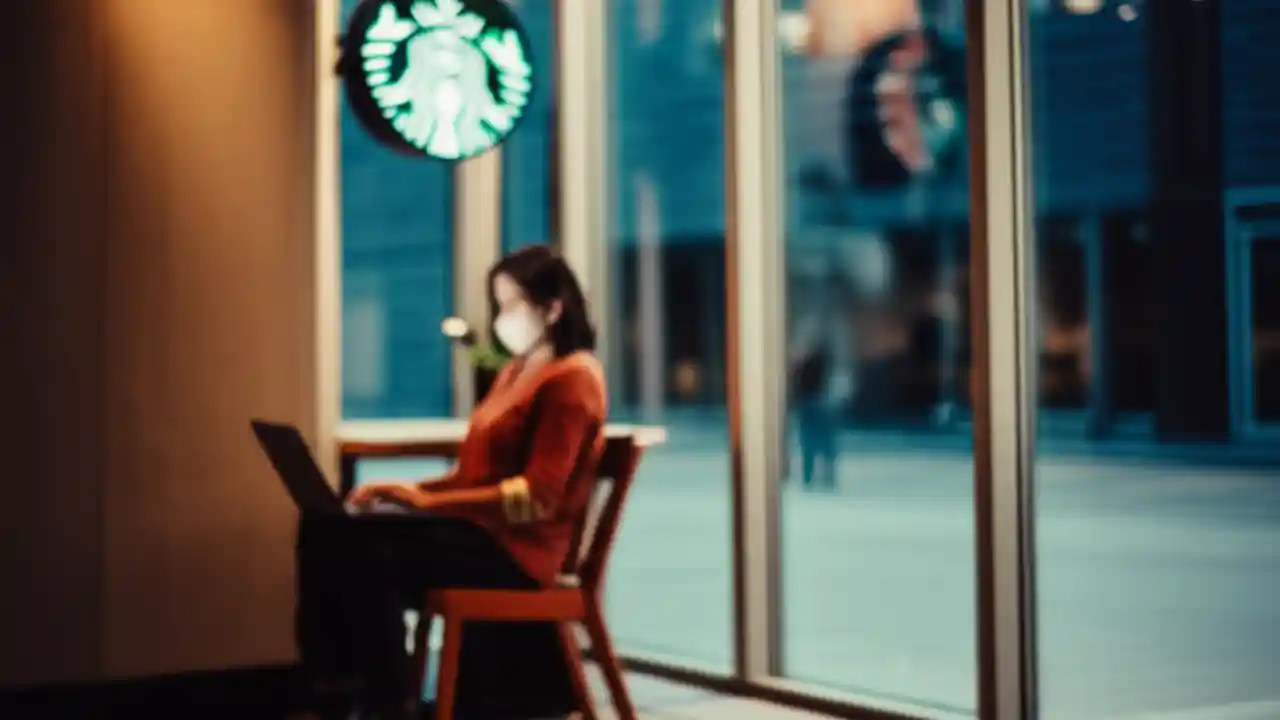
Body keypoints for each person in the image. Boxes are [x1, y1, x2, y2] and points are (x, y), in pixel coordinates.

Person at [296, 245, 607, 719]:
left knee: (362, 549)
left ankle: (382, 700)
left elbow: (536, 499)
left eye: (508, 306)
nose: (500, 319)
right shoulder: (516, 372)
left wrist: (427, 503)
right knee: (327, 528)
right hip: (480, 535)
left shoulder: (572, 380)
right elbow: (472, 477)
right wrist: (404, 492)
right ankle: (340, 689)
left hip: (516, 554)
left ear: (553, 307)